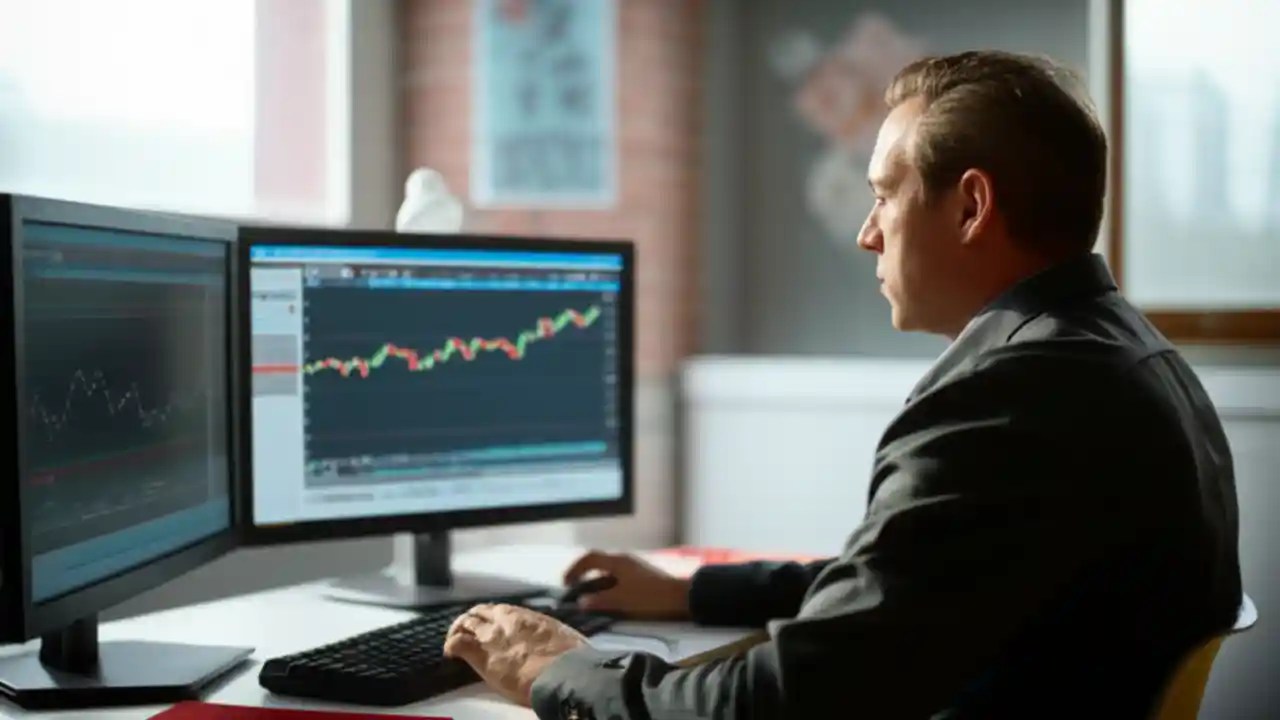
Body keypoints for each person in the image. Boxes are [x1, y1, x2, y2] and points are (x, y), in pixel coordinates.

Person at [442, 49, 1242, 719]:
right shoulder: (1125, 357)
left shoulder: (1009, 396)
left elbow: (795, 699)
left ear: (969, 207)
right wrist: (697, 592)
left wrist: (561, 675)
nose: (867, 235)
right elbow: (922, 585)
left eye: (883, 195)